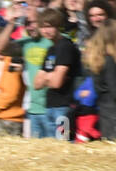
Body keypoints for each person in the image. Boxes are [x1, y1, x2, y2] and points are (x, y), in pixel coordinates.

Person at [35, 8, 81, 137]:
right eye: (42, 27)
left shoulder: (65, 46)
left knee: (63, 146)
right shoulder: (51, 49)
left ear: (58, 26)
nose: (45, 31)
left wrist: (47, 76)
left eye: (49, 26)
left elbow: (56, 83)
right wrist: (51, 75)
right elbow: (36, 84)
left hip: (64, 107)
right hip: (50, 106)